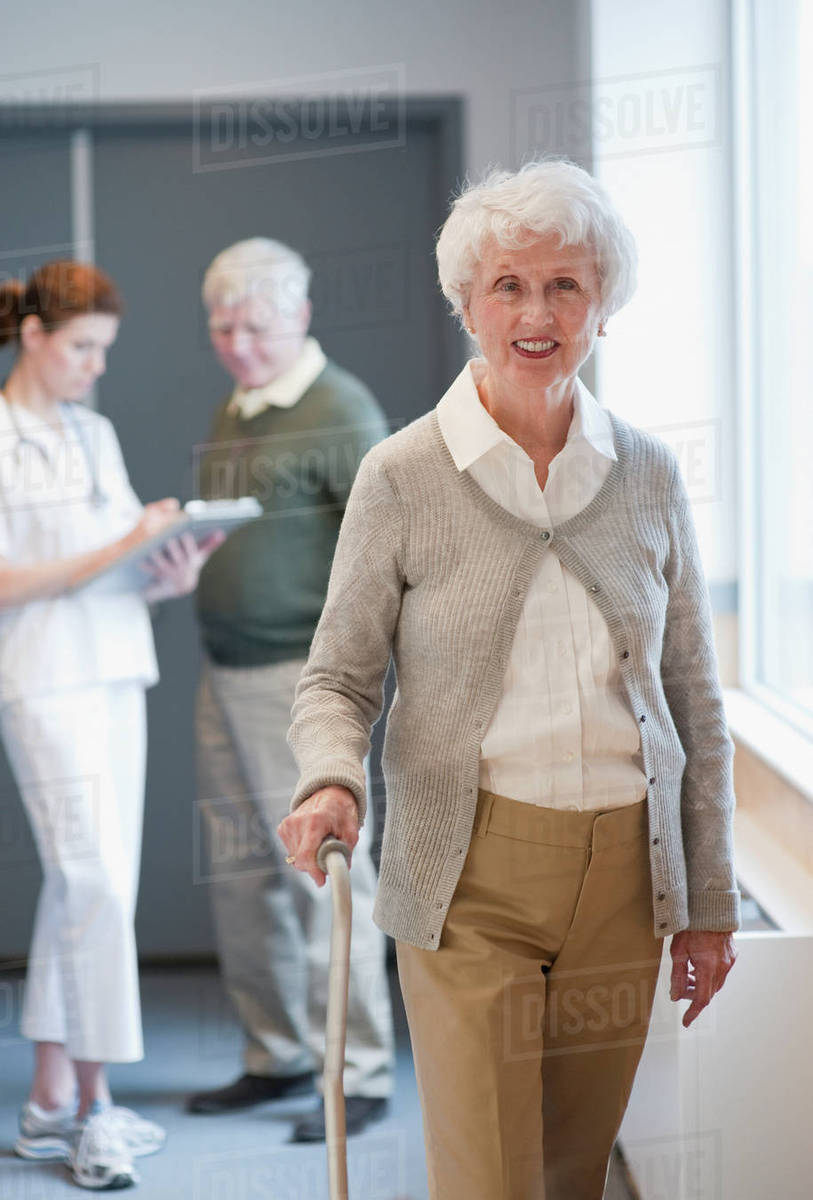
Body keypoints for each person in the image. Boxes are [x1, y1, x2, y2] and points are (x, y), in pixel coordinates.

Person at [278, 160, 740, 1199]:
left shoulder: (651, 474)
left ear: (603, 307)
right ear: (468, 304)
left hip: (625, 876)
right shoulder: (402, 475)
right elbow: (338, 680)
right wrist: (329, 778)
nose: (537, 313)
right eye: (509, 286)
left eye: (566, 286)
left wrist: (706, 901)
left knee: (572, 1173)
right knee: (491, 1181)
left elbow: (693, 700)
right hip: (470, 875)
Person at [0, 261, 221, 1190]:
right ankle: (95, 1109)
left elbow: (122, 561)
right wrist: (119, 546)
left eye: (104, 351)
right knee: (91, 881)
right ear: (35, 338)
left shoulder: (95, 432)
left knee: (86, 886)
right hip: (44, 682)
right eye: (82, 348)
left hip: (117, 668)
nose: (95, 367)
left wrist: (168, 565)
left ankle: (50, 1101)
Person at [187, 238, 394, 1141]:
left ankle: (360, 1073)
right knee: (241, 878)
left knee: (325, 880)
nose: (237, 345)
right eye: (222, 328)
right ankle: (276, 1056)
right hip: (222, 670)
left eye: (256, 328)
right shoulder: (239, 404)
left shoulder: (341, 409)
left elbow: (391, 548)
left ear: (300, 317)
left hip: (295, 680)